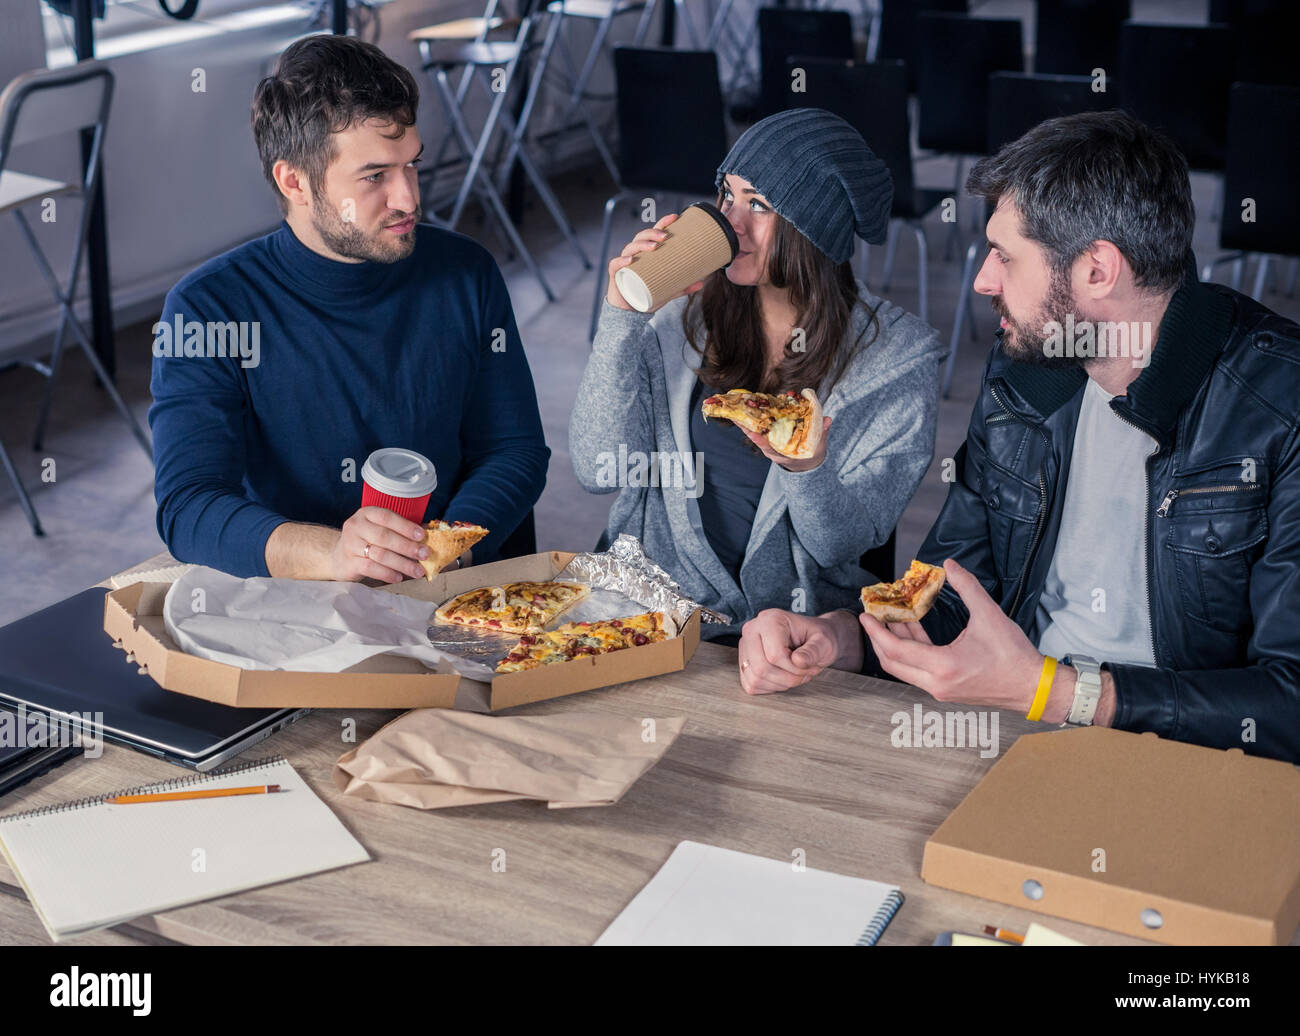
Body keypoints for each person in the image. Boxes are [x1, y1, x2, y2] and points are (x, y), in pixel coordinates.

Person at [737, 111, 1300, 764]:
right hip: (1013, 727)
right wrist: (839, 638)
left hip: (1193, 766)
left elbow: (1287, 705)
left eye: (1005, 255)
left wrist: (1057, 693)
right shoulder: (1025, 370)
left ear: (1097, 270)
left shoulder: (1279, 406)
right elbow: (950, 592)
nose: (982, 281)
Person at [149, 35, 548, 582]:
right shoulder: (209, 309)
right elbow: (188, 508)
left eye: (411, 165)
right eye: (375, 177)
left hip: (454, 590)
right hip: (296, 601)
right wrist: (337, 554)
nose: (409, 198)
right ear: (295, 182)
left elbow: (515, 451)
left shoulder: (465, 271)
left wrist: (436, 552)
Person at [571, 109, 945, 639]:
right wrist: (621, 317)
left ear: (817, 230)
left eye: (758, 205)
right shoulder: (679, 318)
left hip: (791, 634)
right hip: (646, 615)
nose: (730, 223)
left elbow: (841, 547)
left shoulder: (895, 361)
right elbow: (597, 471)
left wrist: (806, 469)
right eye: (727, 194)